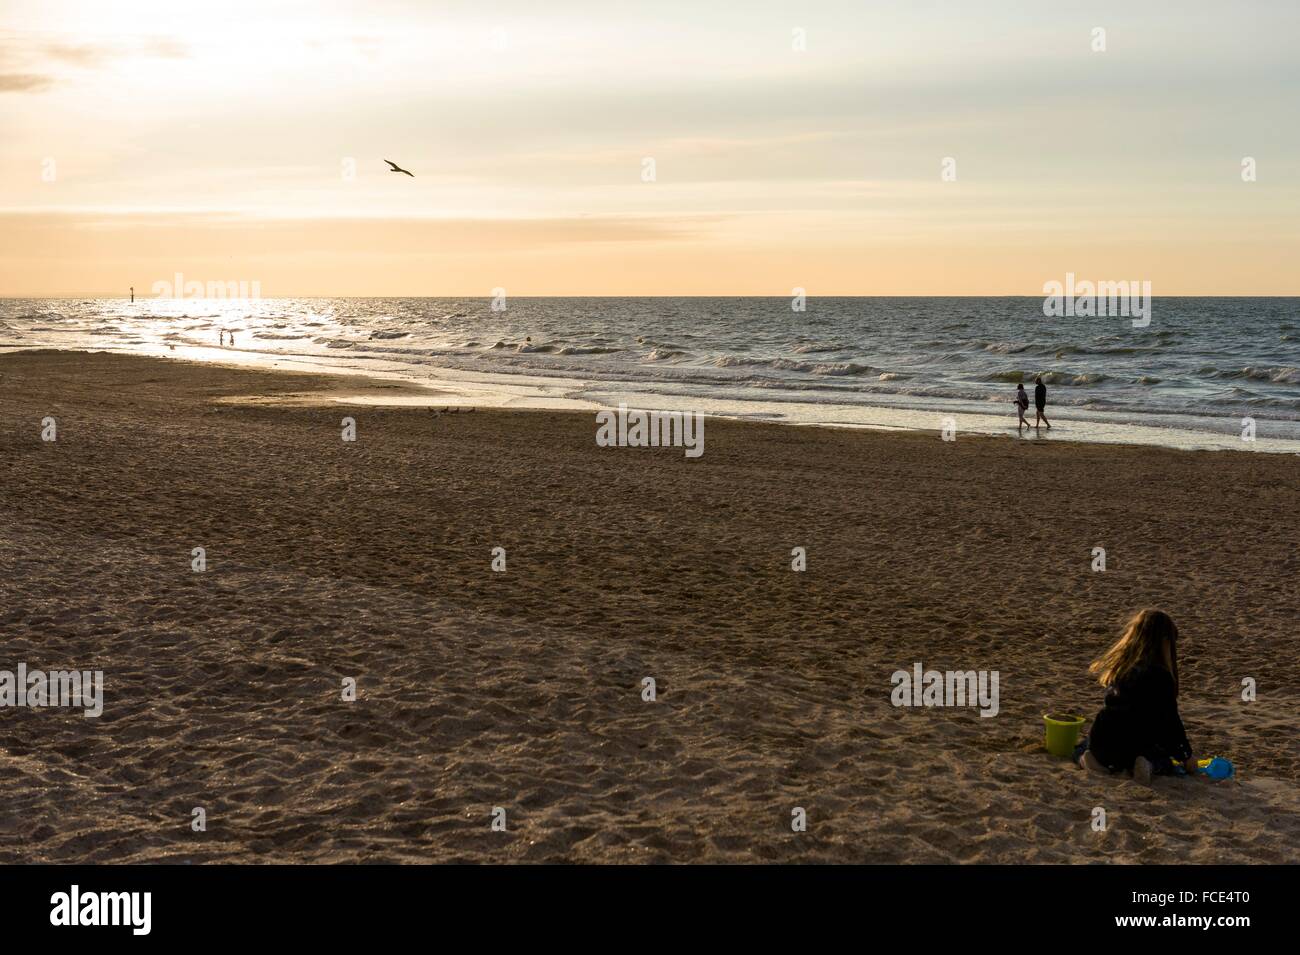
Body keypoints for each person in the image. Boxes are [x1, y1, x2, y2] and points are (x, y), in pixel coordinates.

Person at [1076, 609, 1196, 783]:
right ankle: (1147, 765)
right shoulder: (1161, 677)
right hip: (1138, 744)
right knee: (1164, 762)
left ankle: (1092, 760)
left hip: (1105, 740)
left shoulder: (1120, 669)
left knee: (1080, 747)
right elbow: (1170, 722)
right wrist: (1186, 756)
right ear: (1165, 643)